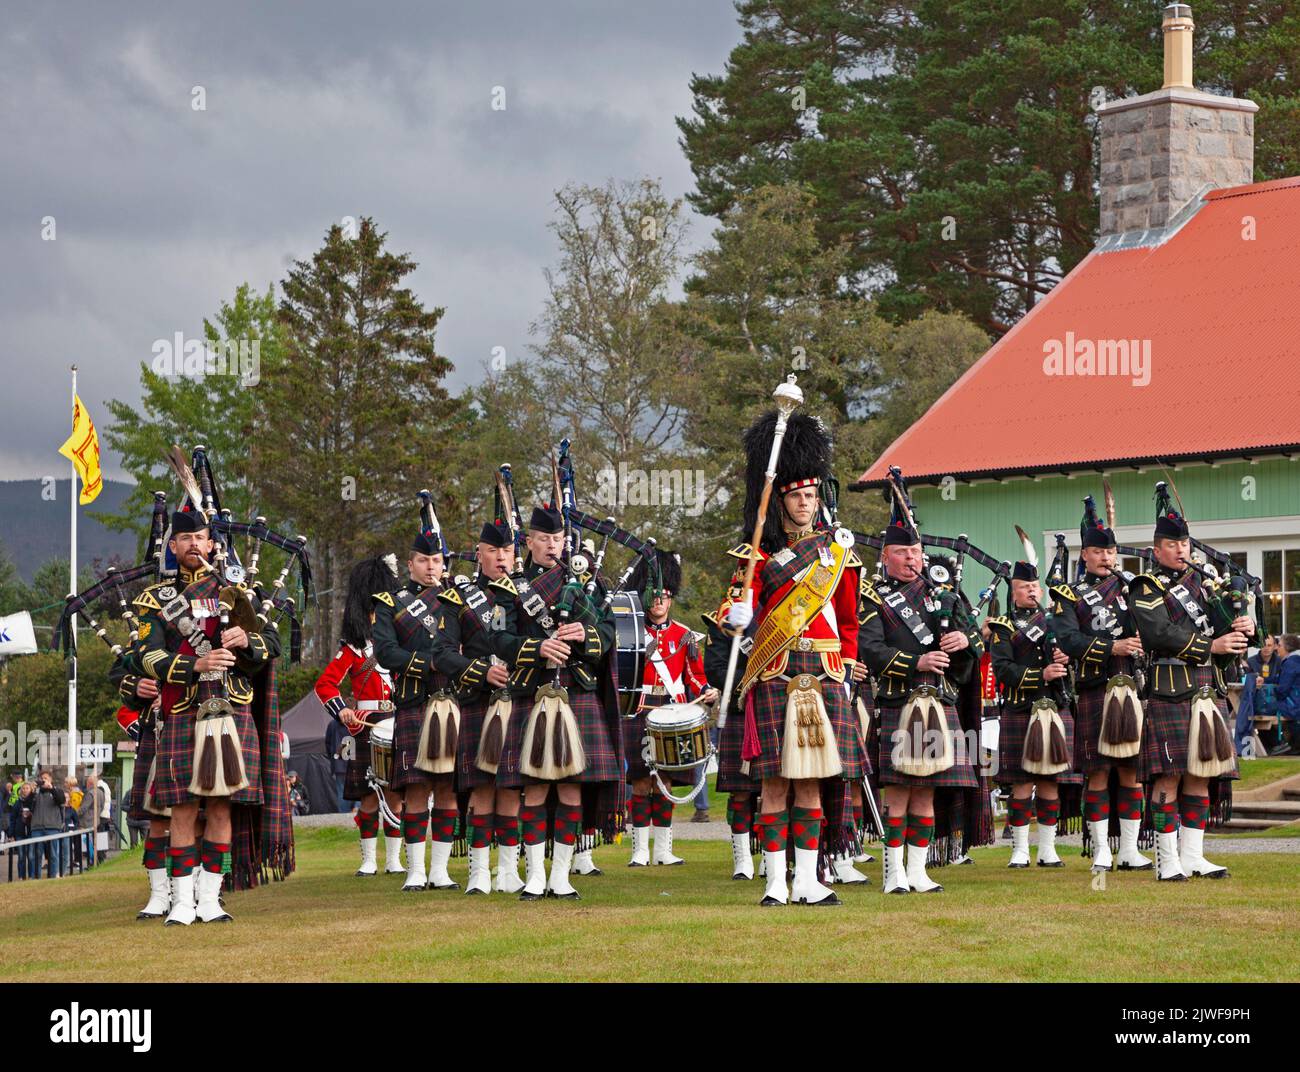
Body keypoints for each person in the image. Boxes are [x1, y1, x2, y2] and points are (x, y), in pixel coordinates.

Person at [717, 407, 867, 907]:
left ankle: (807, 879)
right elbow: (736, 607)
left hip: (822, 674)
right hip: (775, 673)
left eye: (812, 496)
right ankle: (776, 882)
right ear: (780, 500)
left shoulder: (838, 555)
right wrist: (737, 612)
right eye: (798, 497)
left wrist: (844, 670)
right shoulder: (756, 555)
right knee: (775, 782)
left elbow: (848, 623)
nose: (806, 505)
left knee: (813, 783)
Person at [133, 507, 283, 924]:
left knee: (221, 806)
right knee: (181, 806)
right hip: (184, 707)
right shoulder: (153, 601)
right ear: (173, 547)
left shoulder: (236, 591)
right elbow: (147, 656)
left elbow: (271, 644)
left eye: (201, 537)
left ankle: (211, 899)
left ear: (212, 543)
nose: (194, 545)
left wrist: (247, 638)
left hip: (230, 708)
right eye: (185, 539)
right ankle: (181, 902)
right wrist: (192, 667)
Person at [858, 470, 983, 894]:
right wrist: (917, 661)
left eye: (916, 550)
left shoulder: (942, 595)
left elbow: (978, 639)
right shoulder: (874, 597)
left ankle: (918, 871)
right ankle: (893, 873)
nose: (913, 558)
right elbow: (870, 649)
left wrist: (965, 639)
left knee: (927, 790)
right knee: (899, 790)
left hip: (940, 701)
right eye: (903, 552)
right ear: (886, 556)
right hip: (899, 700)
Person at [492, 502, 623, 901]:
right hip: (532, 691)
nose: (551, 545)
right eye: (543, 538)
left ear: (566, 541)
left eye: (557, 538)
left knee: (571, 788)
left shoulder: (586, 585)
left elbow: (610, 632)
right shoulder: (510, 587)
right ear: (527, 541)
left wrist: (585, 632)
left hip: (577, 689)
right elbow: (498, 639)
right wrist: (538, 646)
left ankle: (561, 876)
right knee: (533, 788)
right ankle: (534, 876)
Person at [1129, 483, 1250, 881]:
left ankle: (1194, 856)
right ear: (1157, 549)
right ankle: (1167, 860)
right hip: (1169, 688)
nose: (1181, 550)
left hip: (1206, 688)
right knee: (1169, 773)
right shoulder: (1146, 587)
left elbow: (1223, 633)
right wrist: (1210, 643)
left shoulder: (1205, 585)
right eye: (1172, 544)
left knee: (1201, 772)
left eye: (1185, 543)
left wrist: (1240, 627)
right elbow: (1158, 633)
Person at [1051, 495, 1152, 873]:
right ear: (1085, 555)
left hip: (1133, 688)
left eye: (1110, 551)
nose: (1106, 558)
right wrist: (1114, 646)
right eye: (1098, 551)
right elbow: (1068, 641)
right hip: (1096, 689)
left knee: (1131, 771)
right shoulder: (1069, 595)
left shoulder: (1134, 589)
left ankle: (1128, 849)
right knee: (1097, 770)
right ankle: (1100, 851)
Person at [431, 509, 524, 895]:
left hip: (517, 700)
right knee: (482, 788)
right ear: (479, 554)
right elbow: (441, 652)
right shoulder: (459, 598)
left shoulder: (526, 593)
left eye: (506, 549)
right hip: (477, 701)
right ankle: (478, 873)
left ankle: (509, 870)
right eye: (492, 550)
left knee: (512, 788)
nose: (500, 557)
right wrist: (479, 672)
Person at [372, 498, 460, 892]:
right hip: (413, 702)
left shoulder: (459, 601)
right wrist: (433, 663)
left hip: (453, 703)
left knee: (447, 787)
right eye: (423, 561)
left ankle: (439, 870)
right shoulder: (389, 603)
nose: (430, 567)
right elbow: (386, 653)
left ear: (444, 564)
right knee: (415, 787)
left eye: (436, 561)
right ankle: (415, 870)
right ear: (410, 564)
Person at [987, 548, 1083, 869]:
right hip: (1020, 709)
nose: (1032, 591)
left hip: (1054, 708)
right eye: (1025, 587)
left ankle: (1048, 848)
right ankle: (1019, 849)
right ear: (1013, 590)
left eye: (1035, 587)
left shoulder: (1055, 620)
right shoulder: (1002, 627)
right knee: (1021, 781)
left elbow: (1072, 654)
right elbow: (1002, 670)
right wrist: (1039, 674)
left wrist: (1066, 660)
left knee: (1050, 780)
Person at [624, 549, 717, 868]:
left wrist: (706, 692)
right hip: (639, 710)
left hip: (672, 711)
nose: (658, 602)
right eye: (653, 596)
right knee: (640, 783)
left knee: (664, 783)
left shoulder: (684, 636)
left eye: (664, 596)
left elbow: (695, 675)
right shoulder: (631, 632)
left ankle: (663, 849)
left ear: (671, 598)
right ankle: (639, 850)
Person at [314, 555, 405, 877]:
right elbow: (325, 684)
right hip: (364, 727)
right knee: (367, 796)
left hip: (397, 721)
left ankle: (394, 859)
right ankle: (368, 859)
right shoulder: (353, 649)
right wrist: (344, 712)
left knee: (394, 794)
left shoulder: (399, 643)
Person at [28, 771, 65, 880]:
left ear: (50, 780)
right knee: (36, 854)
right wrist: (32, 792)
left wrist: (51, 788)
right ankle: (36, 877)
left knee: (53, 854)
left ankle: (54, 876)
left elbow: (61, 800)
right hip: (37, 827)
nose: (43, 780)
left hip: (52, 827)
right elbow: (29, 806)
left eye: (46, 778)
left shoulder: (57, 790)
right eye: (41, 778)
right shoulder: (36, 792)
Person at [1270, 634, 1300, 753]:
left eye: (1280, 645)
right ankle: (1286, 744)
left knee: (1261, 711)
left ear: (1287, 647)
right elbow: (1279, 679)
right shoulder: (1295, 661)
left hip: (1294, 705)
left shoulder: (1290, 663)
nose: (1277, 648)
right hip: (1296, 703)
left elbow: (1282, 690)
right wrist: (1264, 679)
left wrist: (1272, 692)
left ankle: (1279, 743)